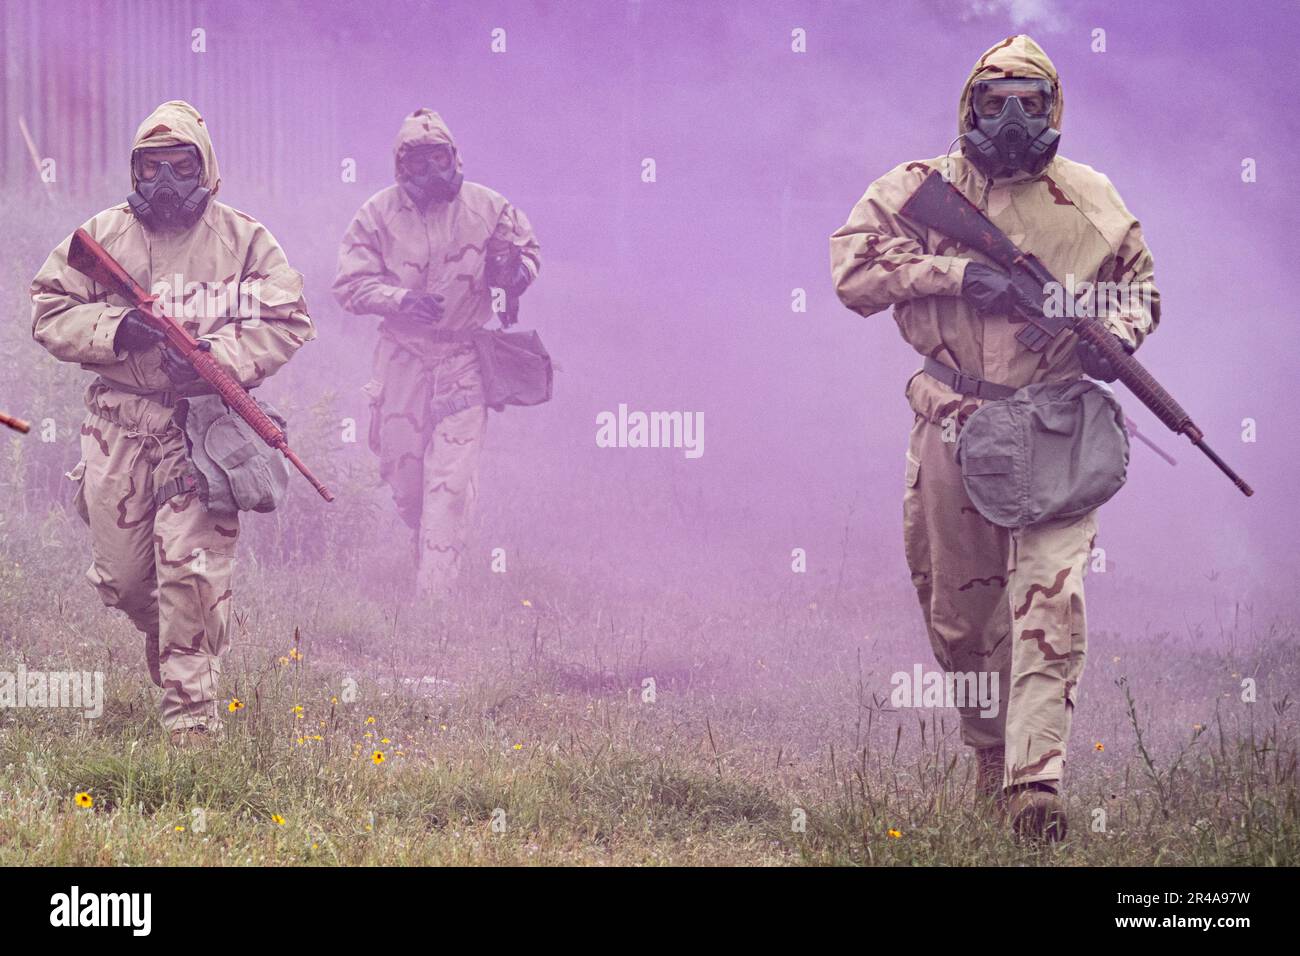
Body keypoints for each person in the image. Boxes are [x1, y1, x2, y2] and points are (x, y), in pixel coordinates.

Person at [830, 36, 1159, 840]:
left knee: (1053, 601)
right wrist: (956, 275)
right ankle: (990, 756)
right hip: (956, 423)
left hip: (1055, 426)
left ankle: (1034, 784)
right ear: (969, 105)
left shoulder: (1091, 197)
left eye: (1030, 103)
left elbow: (1141, 287)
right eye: (995, 101)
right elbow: (852, 274)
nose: (1013, 119)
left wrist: (1113, 337)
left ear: (1054, 108)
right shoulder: (917, 190)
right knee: (962, 614)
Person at [31, 100, 315, 746]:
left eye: (180, 167)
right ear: (134, 170)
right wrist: (116, 328)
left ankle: (192, 725)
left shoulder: (244, 240)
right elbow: (48, 308)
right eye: (151, 168)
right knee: (126, 582)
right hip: (119, 424)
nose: (164, 182)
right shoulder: (102, 235)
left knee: (191, 573)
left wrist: (220, 357)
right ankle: (173, 638)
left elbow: (287, 319)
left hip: (205, 427)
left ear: (206, 168)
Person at [333, 108, 540, 599]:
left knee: (450, 484)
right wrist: (400, 300)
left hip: (463, 357)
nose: (431, 172)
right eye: (418, 163)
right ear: (400, 166)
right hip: (402, 357)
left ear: (455, 157)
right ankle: (425, 544)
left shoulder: (489, 207)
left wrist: (514, 274)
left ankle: (434, 609)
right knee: (407, 483)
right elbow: (348, 286)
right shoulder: (377, 214)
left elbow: (528, 253)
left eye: (439, 159)